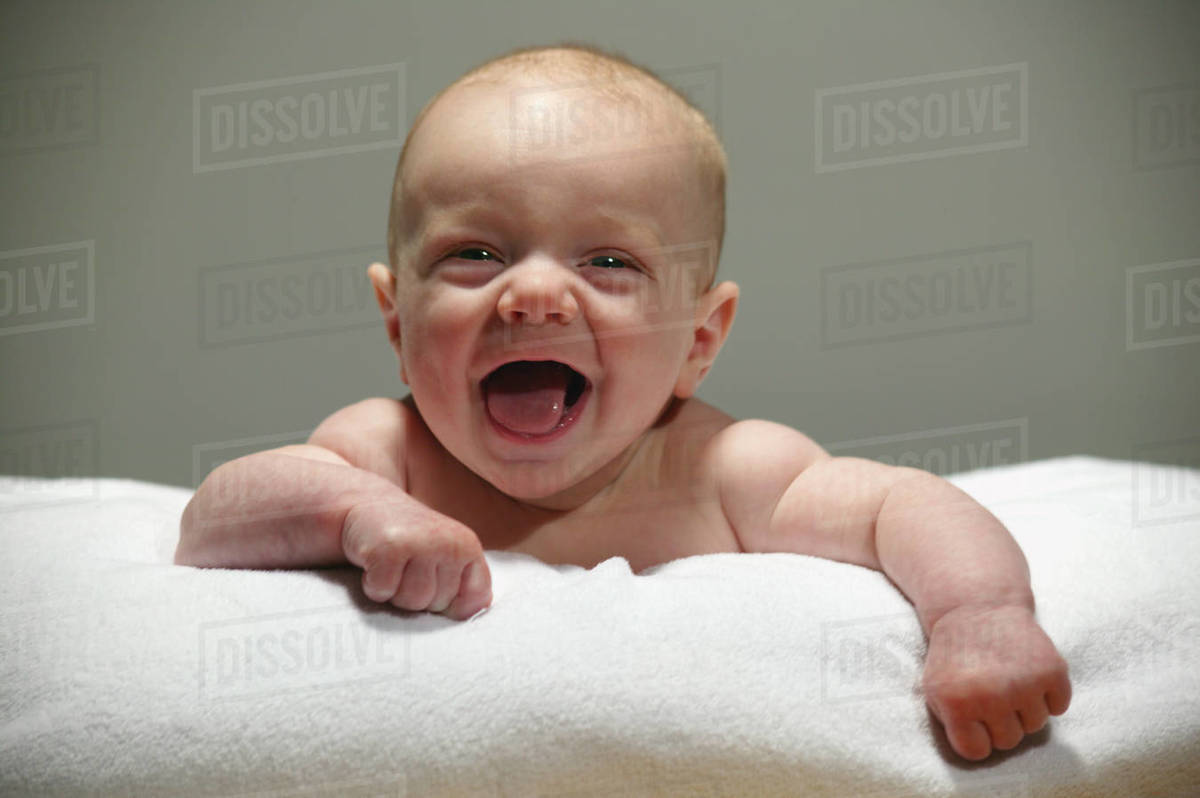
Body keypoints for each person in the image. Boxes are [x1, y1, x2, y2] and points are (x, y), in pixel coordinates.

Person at [175, 43, 1071, 762]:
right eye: (474, 254)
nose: (531, 295)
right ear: (395, 320)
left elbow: (902, 505)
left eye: (607, 262)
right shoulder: (391, 454)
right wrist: (355, 510)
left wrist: (979, 617)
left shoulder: (720, 470)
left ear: (698, 341)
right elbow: (212, 522)